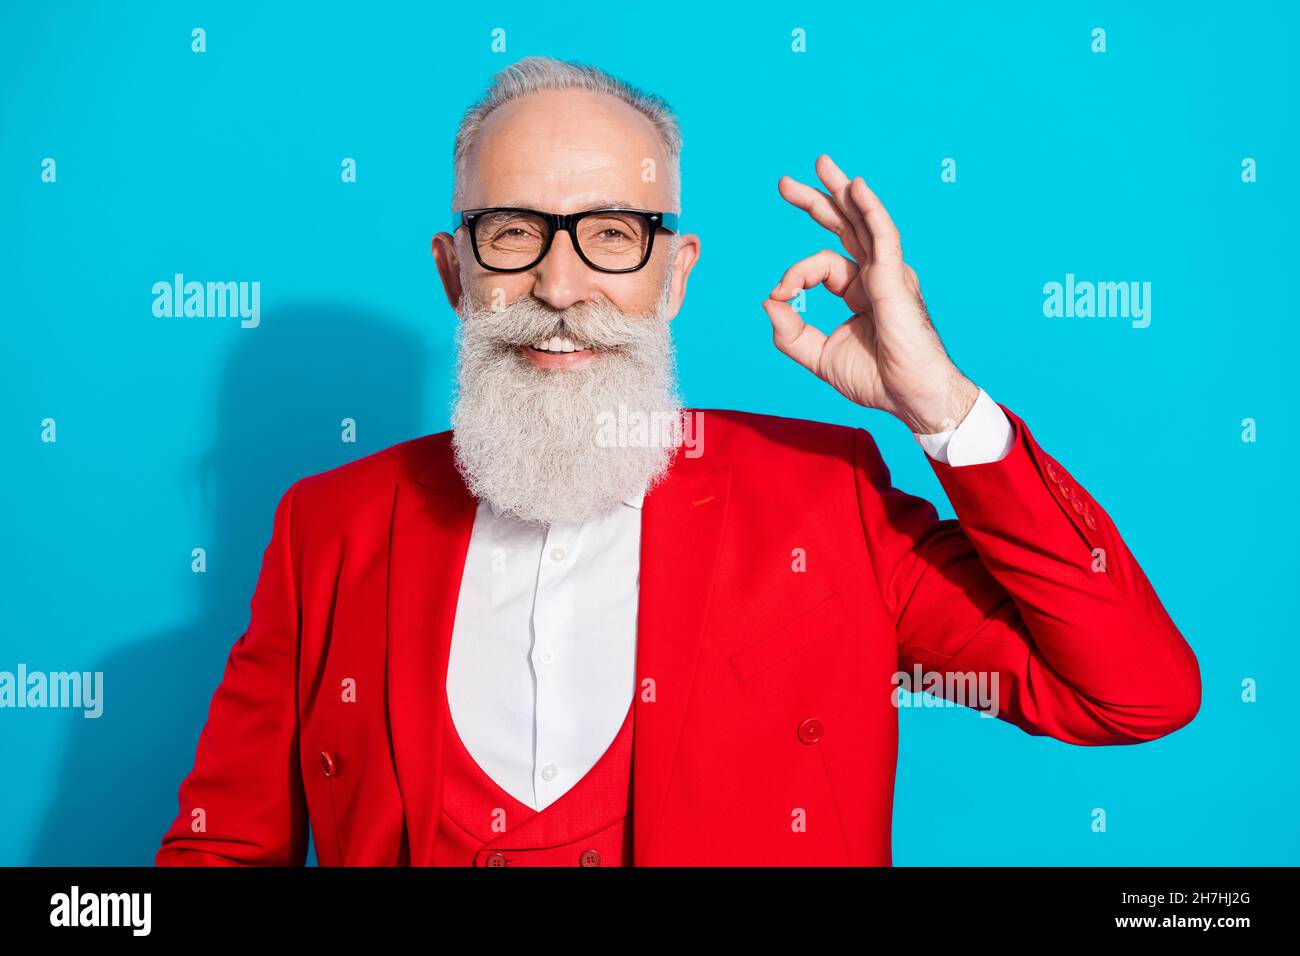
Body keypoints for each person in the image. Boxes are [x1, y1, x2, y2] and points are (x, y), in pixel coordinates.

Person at [156, 55, 1199, 867]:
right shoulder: (329, 526)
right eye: (512, 231)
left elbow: (1129, 694)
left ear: (674, 273)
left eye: (611, 232)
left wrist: (941, 406)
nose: (560, 284)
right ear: (453, 271)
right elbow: (222, 842)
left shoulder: (821, 499)